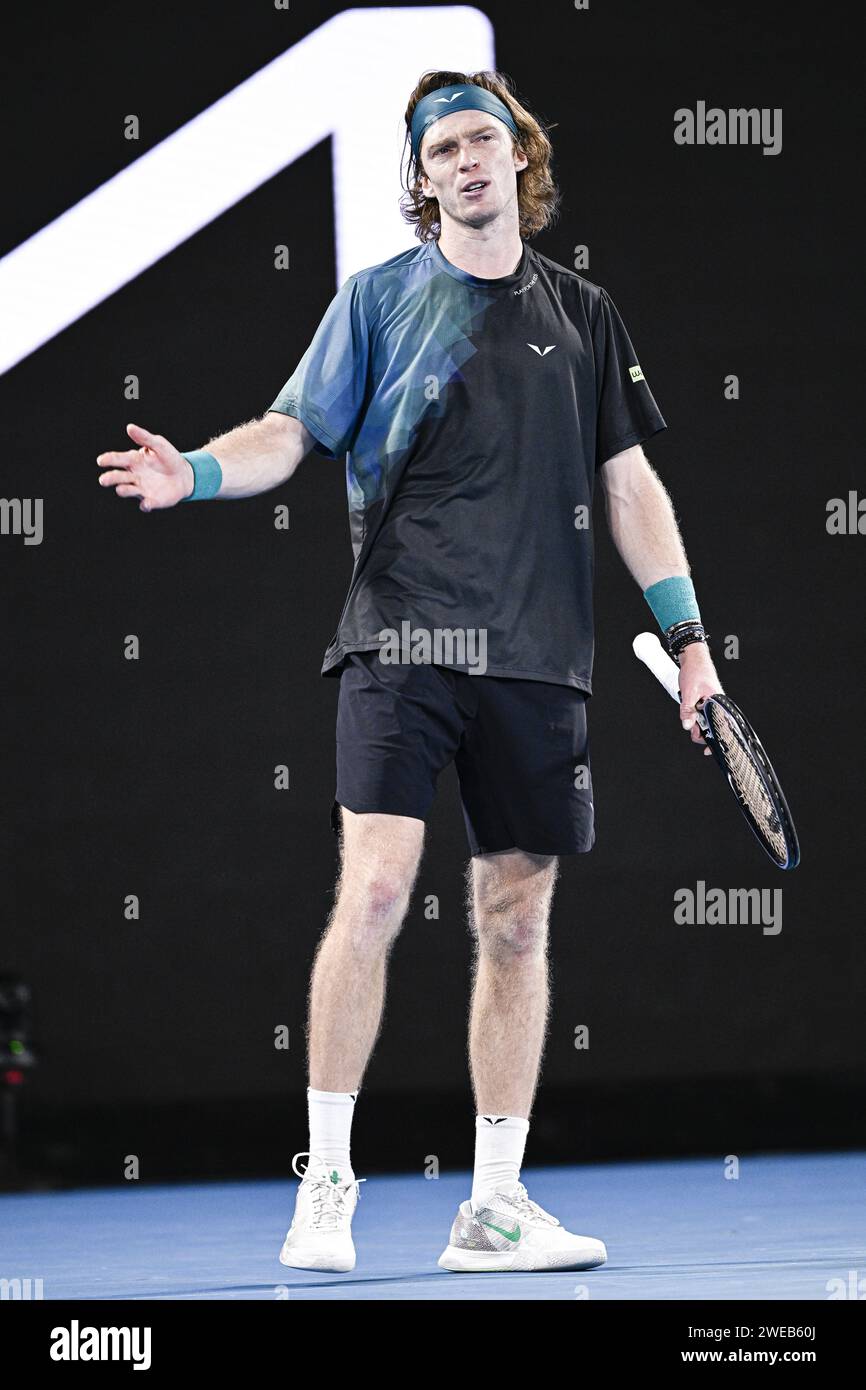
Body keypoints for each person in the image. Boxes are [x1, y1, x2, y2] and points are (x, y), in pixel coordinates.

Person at [96, 69, 722, 1275]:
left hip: (541, 661)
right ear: (424, 180)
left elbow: (629, 486)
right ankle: (324, 1186)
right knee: (375, 890)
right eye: (441, 152)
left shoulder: (583, 312)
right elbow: (290, 430)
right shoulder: (378, 301)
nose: (465, 163)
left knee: (516, 914)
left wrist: (690, 643)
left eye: (483, 140)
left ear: (518, 159)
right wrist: (198, 470)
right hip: (401, 637)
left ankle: (491, 1204)